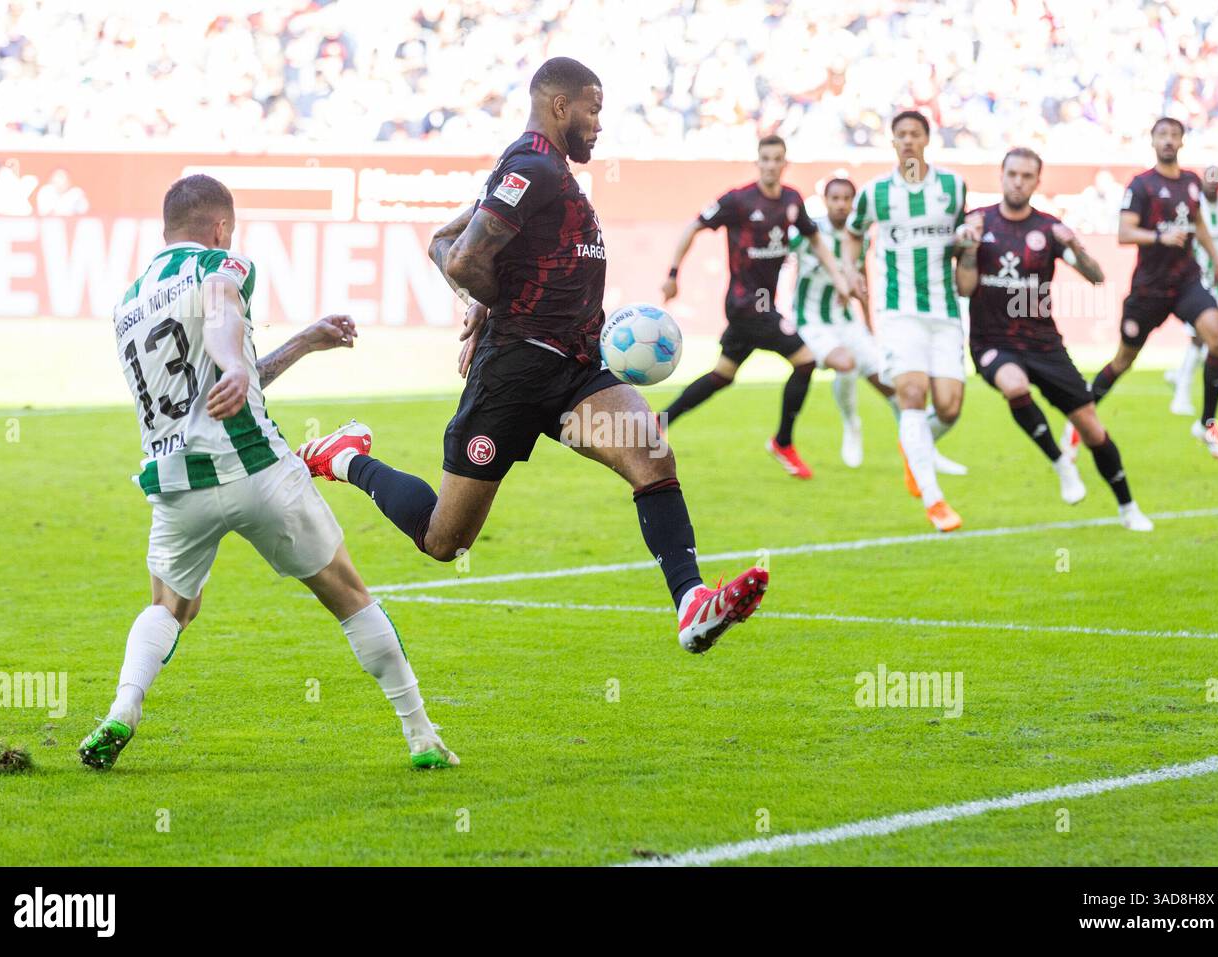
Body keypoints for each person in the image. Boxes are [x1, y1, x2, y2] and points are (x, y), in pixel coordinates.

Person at [298, 58, 768, 655]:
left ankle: (692, 603)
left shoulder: (543, 171)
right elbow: (460, 255)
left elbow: (447, 243)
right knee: (445, 540)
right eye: (593, 109)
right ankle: (345, 457)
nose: (599, 124)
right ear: (560, 106)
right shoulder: (532, 168)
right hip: (514, 373)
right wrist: (496, 305)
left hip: (577, 365)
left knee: (652, 453)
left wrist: (485, 301)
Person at [79, 174, 458, 772]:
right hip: (258, 471)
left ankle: (125, 707)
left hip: (177, 487)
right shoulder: (224, 265)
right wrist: (233, 361)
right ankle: (421, 736)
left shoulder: (127, 303)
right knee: (349, 596)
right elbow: (223, 314)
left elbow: (229, 384)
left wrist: (301, 342)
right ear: (221, 227)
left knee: (169, 607)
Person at [956, 149, 1153, 531]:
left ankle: (1128, 507)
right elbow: (964, 288)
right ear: (1001, 176)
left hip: (1043, 343)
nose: (1018, 181)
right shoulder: (977, 223)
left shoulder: (1049, 228)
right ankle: (1061, 462)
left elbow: (1096, 277)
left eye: (1027, 176)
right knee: (1013, 385)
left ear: (1036, 182)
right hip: (992, 339)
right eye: (1012, 174)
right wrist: (968, 251)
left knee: (1092, 428)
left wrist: (1075, 246)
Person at [659, 135, 852, 479]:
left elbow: (814, 238)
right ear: (758, 162)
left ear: (784, 163)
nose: (771, 165)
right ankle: (783, 442)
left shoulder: (792, 200)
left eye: (777, 159)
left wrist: (838, 276)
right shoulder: (739, 200)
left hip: (762, 305)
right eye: (765, 158)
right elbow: (694, 226)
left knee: (723, 374)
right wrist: (673, 274)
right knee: (806, 360)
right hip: (746, 305)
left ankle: (659, 423)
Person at [1070, 118, 1218, 462]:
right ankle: (1079, 419)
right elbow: (1124, 233)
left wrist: (1216, 258)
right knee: (1124, 360)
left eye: (1175, 135)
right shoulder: (1142, 186)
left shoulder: (1190, 182)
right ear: (1153, 141)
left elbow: (1198, 221)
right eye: (1163, 135)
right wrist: (1159, 236)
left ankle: (1208, 424)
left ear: (1182, 142)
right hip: (1150, 288)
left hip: (1186, 281)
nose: (1169, 141)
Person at [844, 111, 970, 531]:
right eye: (901, 135)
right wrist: (850, 268)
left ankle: (913, 449)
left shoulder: (952, 186)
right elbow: (853, 231)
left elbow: (962, 233)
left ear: (927, 140)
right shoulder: (875, 192)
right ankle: (935, 502)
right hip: (898, 313)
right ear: (892, 143)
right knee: (912, 394)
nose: (909, 141)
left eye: (915, 134)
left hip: (946, 311)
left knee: (949, 407)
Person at [787, 176, 897, 468]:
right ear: (826, 201)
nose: (841, 204)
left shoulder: (860, 236)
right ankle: (851, 425)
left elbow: (862, 279)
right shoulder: (808, 232)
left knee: (889, 384)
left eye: (846, 199)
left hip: (847, 322)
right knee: (845, 363)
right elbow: (778, 261)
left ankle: (918, 448)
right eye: (835, 198)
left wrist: (870, 325)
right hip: (811, 321)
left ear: (853, 202)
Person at [1165, 164, 1218, 417]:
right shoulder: (1193, 209)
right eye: (1209, 179)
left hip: (1214, 282)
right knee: (1203, 336)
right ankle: (1181, 392)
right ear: (1202, 182)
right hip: (1194, 281)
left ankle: (1180, 380)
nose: (1213, 184)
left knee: (1215, 338)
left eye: (1217, 180)